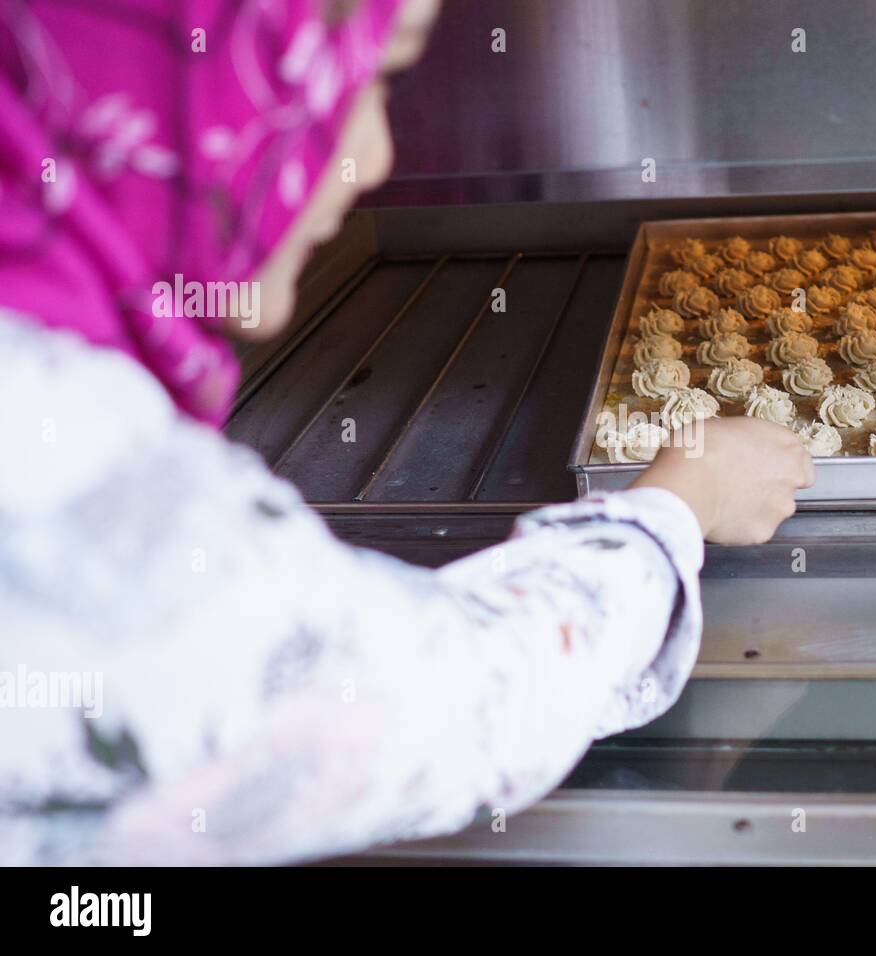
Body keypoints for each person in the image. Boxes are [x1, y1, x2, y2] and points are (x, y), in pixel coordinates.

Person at [0, 0, 812, 864]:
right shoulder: (66, 485)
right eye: (359, 82)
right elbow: (452, 701)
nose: (378, 157)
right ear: (200, 88)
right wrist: (682, 498)